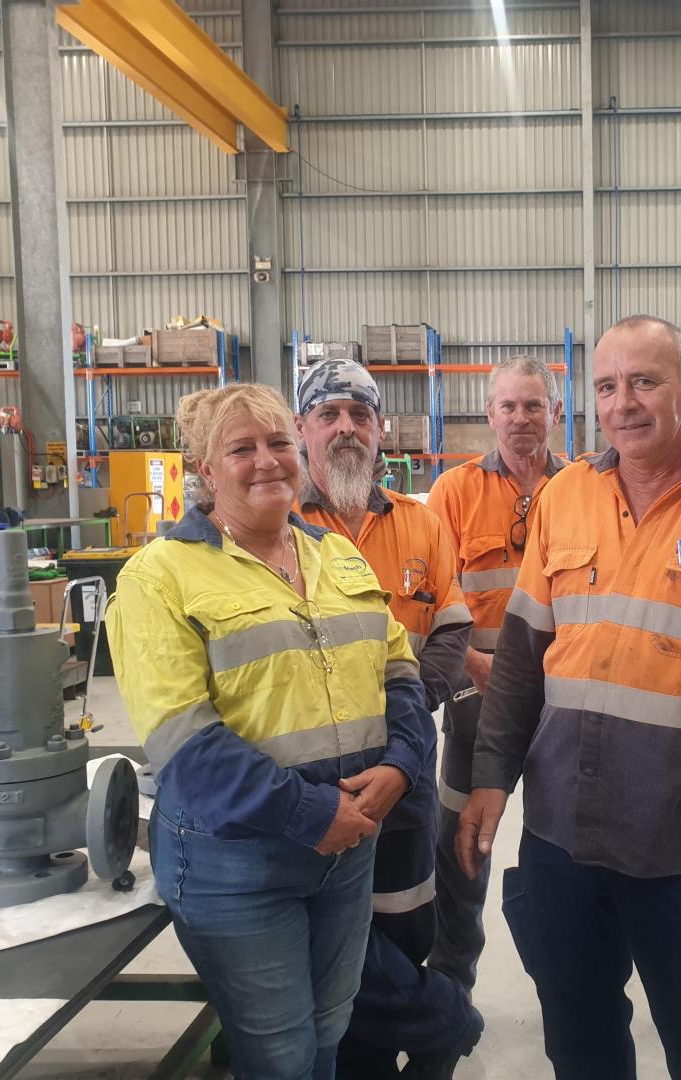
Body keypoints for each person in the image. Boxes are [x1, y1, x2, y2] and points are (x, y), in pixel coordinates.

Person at [456, 316, 681, 1079]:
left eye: (644, 382)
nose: (623, 403)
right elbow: (522, 658)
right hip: (561, 836)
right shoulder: (565, 497)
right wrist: (493, 775)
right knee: (582, 1045)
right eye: (606, 386)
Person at [107, 384, 436, 1080]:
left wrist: (402, 766)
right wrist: (315, 813)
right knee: (279, 1052)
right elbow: (184, 742)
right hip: (238, 861)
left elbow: (400, 673)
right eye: (242, 449)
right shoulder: (158, 577)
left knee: (330, 1027)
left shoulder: (335, 557)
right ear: (203, 468)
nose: (268, 462)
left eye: (280, 443)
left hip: (348, 848)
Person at [293, 360, 482, 1079]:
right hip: (313, 774)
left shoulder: (420, 523)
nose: (345, 427)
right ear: (303, 429)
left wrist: (409, 712)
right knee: (327, 936)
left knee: (405, 915)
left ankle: (404, 1035)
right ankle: (407, 1037)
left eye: (359, 415)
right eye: (328, 414)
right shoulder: (276, 524)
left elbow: (452, 627)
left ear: (379, 433)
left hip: (403, 766)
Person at [422, 355, 568, 993]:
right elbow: (438, 597)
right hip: (477, 694)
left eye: (533, 406)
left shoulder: (585, 488)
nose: (520, 419)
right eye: (508, 406)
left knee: (564, 843)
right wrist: (479, 669)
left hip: (565, 703)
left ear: (555, 414)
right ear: (489, 415)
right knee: (462, 840)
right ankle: (453, 976)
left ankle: (572, 976)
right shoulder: (454, 493)